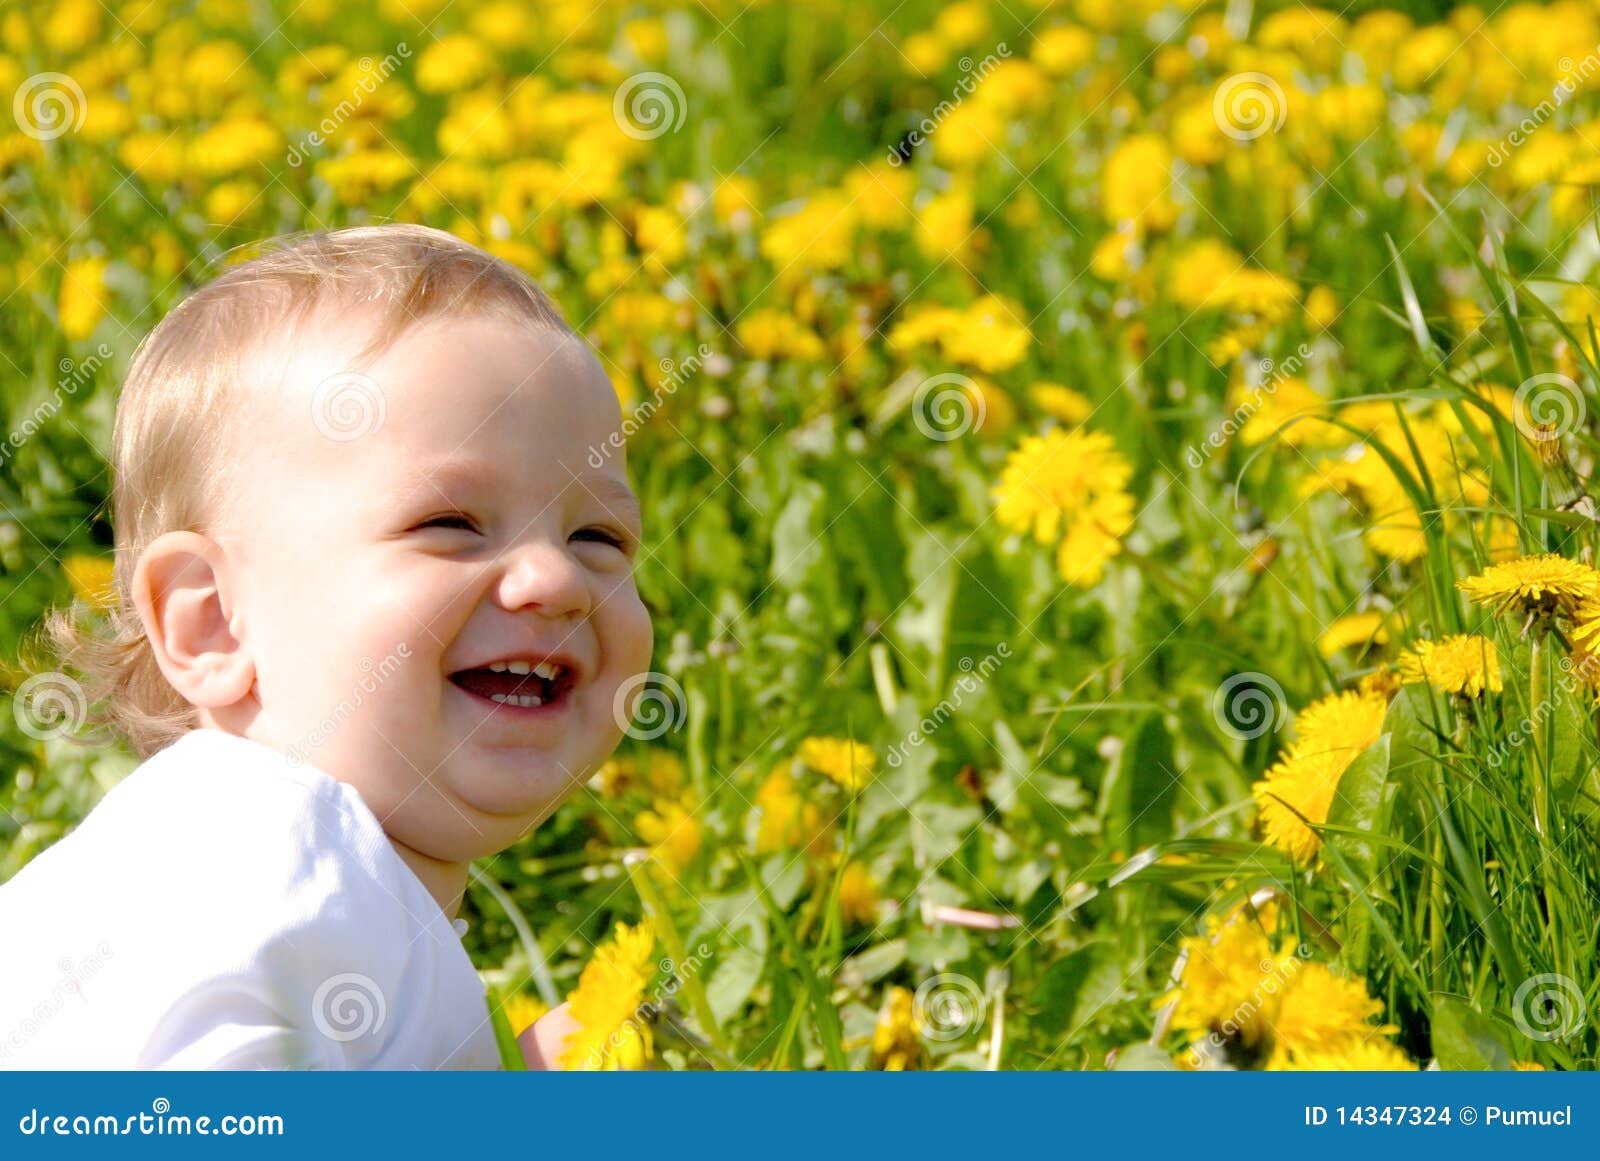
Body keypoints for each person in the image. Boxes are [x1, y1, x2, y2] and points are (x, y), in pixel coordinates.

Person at [0, 224, 652, 1068]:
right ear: (215, 622)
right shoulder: (280, 853)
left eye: (598, 536)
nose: (554, 579)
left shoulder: (252, 860)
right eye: (449, 523)